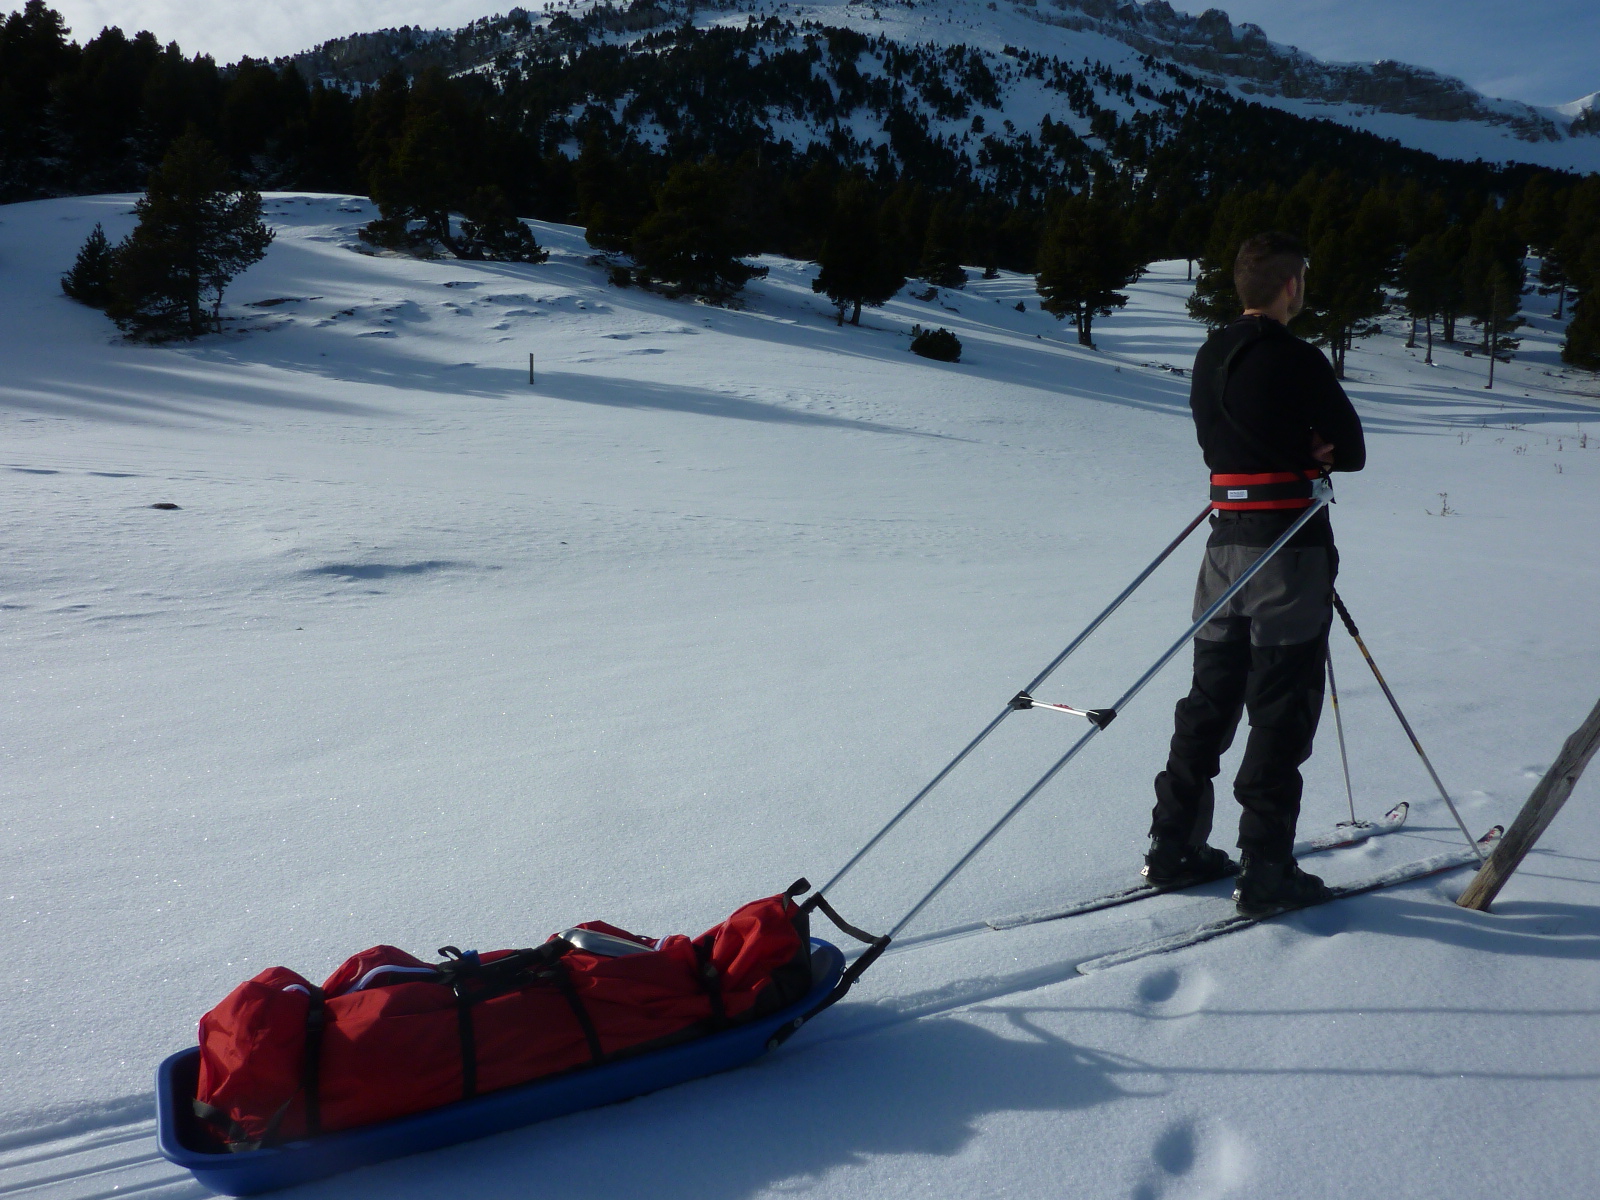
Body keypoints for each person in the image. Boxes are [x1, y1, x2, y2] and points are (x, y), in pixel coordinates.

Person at [1144, 232, 1366, 915]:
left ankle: (1174, 843)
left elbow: (1222, 441)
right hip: (1288, 551)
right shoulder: (1298, 359)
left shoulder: (1210, 353)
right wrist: (1310, 446)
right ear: (1292, 285)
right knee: (1281, 705)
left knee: (1209, 701)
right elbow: (1350, 450)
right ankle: (1265, 866)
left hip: (1222, 550)